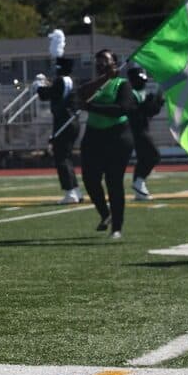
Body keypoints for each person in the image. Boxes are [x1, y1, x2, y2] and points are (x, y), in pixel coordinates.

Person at [79, 50, 136, 239]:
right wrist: (103, 79)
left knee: (113, 182)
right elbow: (80, 95)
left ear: (115, 64)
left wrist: (92, 107)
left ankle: (117, 227)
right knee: (90, 179)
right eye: (98, 62)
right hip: (93, 136)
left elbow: (122, 109)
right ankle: (105, 214)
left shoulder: (123, 84)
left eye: (105, 61)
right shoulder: (95, 85)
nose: (100, 64)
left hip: (117, 138)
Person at [37, 29, 82, 205]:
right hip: (71, 122)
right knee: (67, 157)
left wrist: (39, 86)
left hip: (64, 122)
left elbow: (48, 95)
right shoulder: (71, 80)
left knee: (61, 157)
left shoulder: (62, 81)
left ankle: (70, 192)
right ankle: (75, 190)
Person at [126, 65, 164, 201]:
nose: (144, 81)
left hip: (143, 128)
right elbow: (133, 112)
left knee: (143, 158)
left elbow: (151, 112)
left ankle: (139, 186)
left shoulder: (142, 93)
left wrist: (158, 101)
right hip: (136, 131)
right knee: (154, 156)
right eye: (140, 79)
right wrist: (145, 105)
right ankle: (139, 182)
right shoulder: (131, 94)